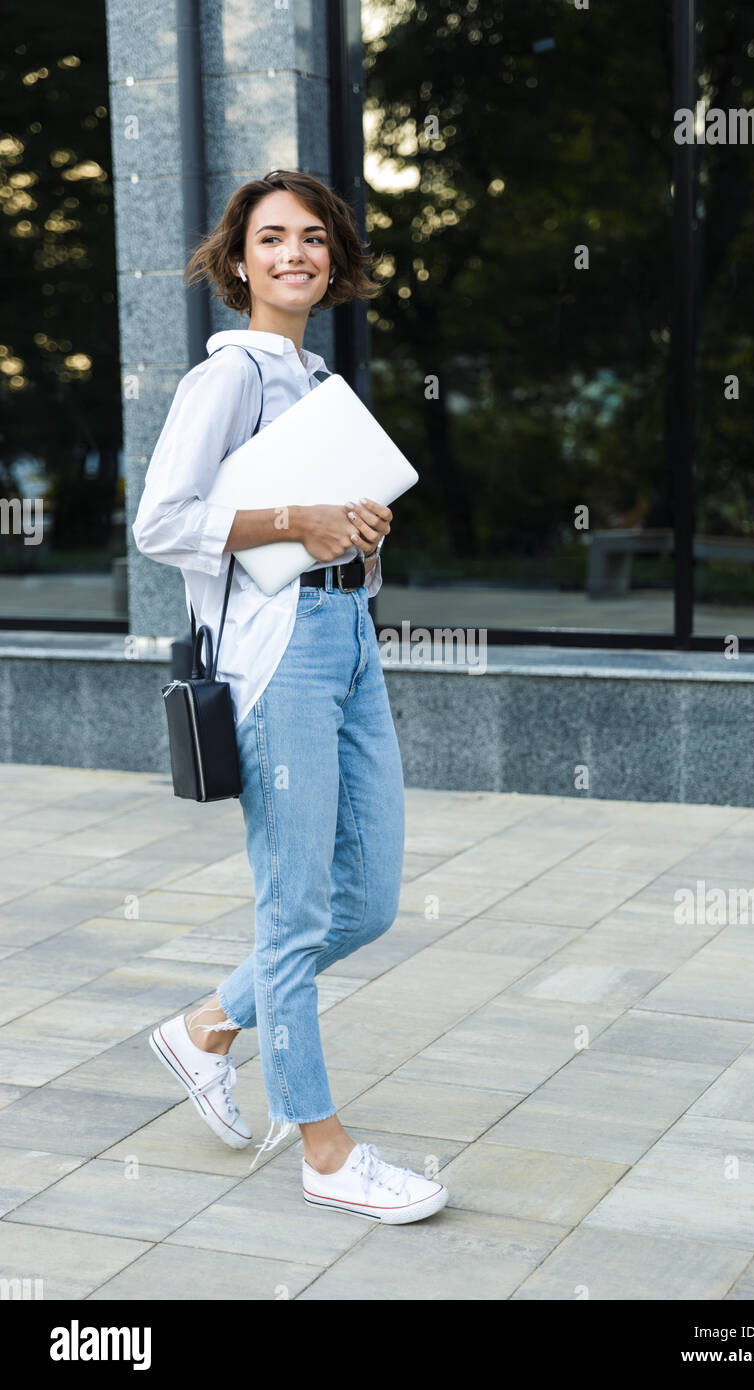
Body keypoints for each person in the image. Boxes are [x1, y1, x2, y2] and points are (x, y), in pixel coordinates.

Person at [133, 169, 448, 1226]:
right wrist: (295, 523)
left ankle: (207, 1027)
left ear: (333, 260)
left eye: (312, 239)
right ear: (238, 263)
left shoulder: (316, 380)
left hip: (345, 636)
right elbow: (161, 521)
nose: (294, 255)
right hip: (276, 664)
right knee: (295, 908)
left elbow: (314, 522)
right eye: (271, 239)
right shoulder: (223, 379)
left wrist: (351, 537)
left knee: (365, 903)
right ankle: (324, 1150)